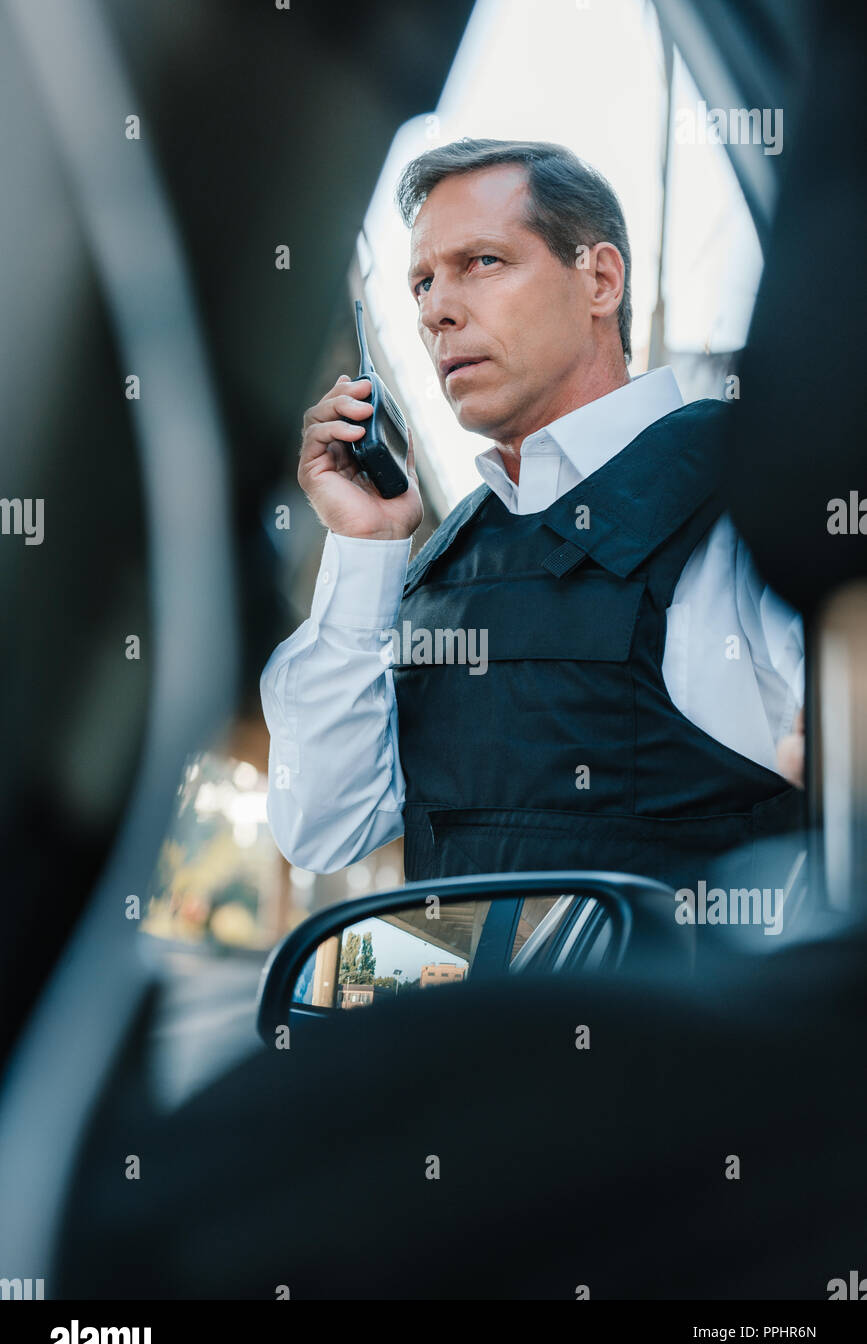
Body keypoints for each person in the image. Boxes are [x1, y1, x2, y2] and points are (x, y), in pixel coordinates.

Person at [261, 139, 805, 888]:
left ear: (599, 280)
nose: (437, 311)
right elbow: (323, 828)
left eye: (482, 262)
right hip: (471, 1010)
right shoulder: (437, 565)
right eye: (420, 283)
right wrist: (366, 546)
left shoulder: (747, 495)